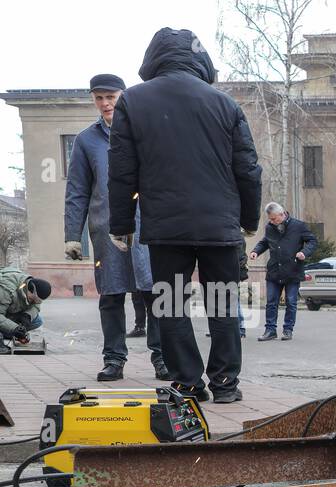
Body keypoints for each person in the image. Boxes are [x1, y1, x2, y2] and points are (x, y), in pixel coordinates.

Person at [108, 27, 262, 404]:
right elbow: (248, 169)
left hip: (166, 226)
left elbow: (122, 171)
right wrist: (249, 220)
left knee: (171, 305)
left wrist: (122, 224)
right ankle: (226, 383)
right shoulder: (224, 104)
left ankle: (188, 384)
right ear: (199, 57)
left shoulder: (133, 101)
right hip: (219, 224)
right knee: (223, 303)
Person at [64, 73, 169, 382]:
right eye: (99, 97)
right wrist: (72, 235)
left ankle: (162, 358)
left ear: (123, 97)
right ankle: (114, 359)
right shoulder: (86, 140)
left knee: (154, 294)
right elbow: (77, 191)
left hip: (147, 229)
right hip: (106, 231)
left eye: (111, 96)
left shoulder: (147, 133)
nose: (105, 103)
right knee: (111, 296)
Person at [249, 202, 316, 341]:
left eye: (274, 219)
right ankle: (270, 330)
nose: (272, 221)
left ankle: (287, 330)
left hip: (293, 270)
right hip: (274, 270)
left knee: (291, 302)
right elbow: (265, 242)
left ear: (282, 214)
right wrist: (256, 251)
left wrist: (304, 252)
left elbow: (312, 241)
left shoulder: (298, 226)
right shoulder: (270, 227)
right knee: (271, 302)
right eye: (270, 219)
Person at [0, 269, 49, 353]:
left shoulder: (31, 285)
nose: (33, 302)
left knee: (37, 321)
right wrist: (14, 328)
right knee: (13, 328)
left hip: (7, 312)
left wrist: (27, 316)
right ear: (29, 291)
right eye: (32, 299)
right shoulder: (6, 290)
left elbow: (36, 305)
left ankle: (7, 333)